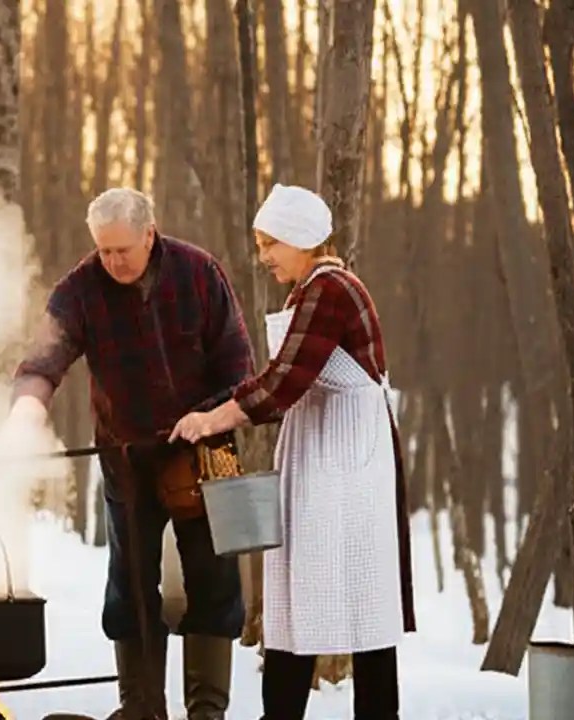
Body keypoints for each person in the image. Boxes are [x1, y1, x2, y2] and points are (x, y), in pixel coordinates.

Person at [4, 187, 255, 720]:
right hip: (127, 462)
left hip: (207, 456)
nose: (113, 261)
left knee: (214, 583)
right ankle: (141, 708)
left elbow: (239, 370)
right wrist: (27, 409)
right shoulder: (80, 290)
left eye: (123, 249)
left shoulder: (199, 274)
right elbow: (41, 362)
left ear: (149, 233)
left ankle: (207, 711)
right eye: (104, 250)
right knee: (130, 590)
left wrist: (205, 421)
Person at [170, 184, 416, 720]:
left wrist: (212, 418)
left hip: (346, 462)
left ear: (302, 239)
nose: (263, 257)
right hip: (322, 452)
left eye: (270, 244)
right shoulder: (309, 289)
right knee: (301, 597)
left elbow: (282, 383)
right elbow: (284, 384)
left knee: (349, 600)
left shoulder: (329, 290)